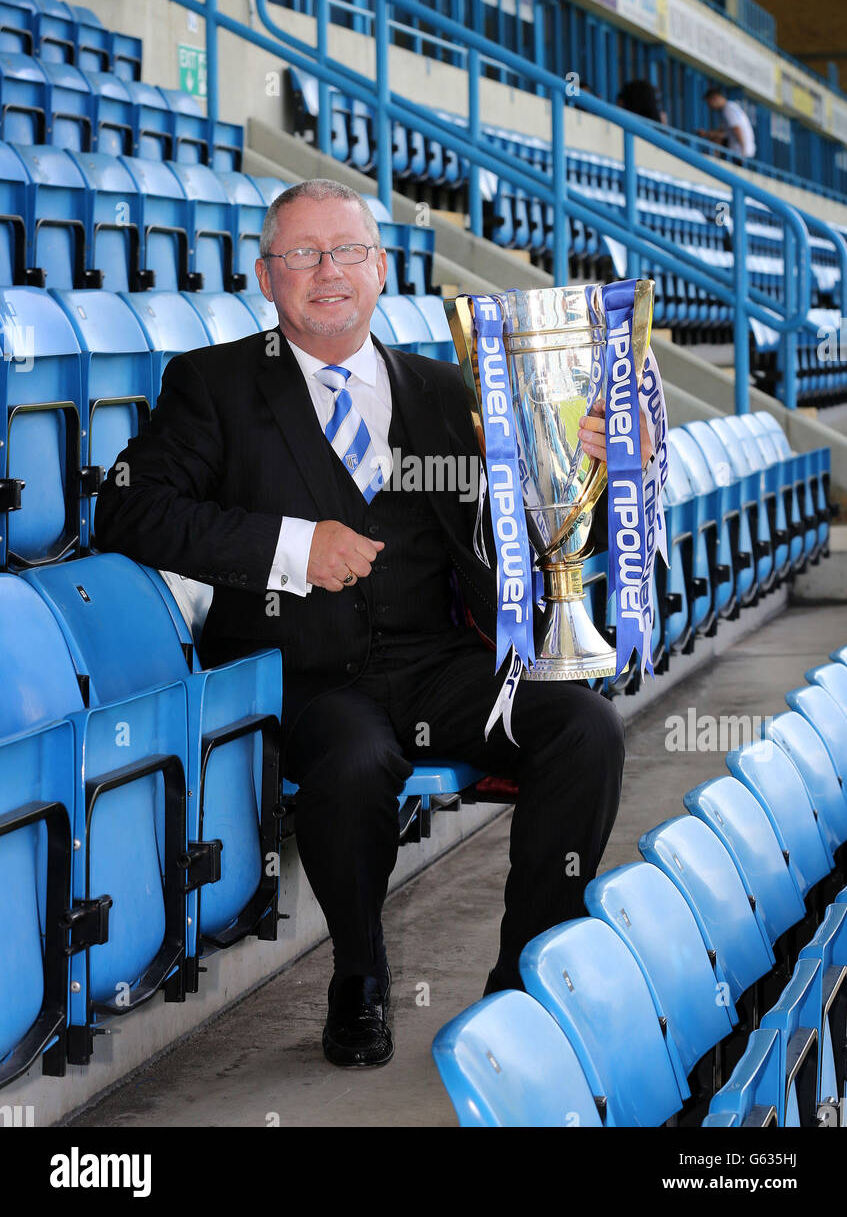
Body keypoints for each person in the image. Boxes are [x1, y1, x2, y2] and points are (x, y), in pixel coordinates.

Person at [94, 178, 651, 1070]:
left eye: (347, 251)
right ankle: (358, 972)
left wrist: (597, 470)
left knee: (583, 725)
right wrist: (289, 545)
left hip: (440, 666)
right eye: (302, 254)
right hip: (307, 674)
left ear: (381, 269)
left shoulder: (445, 390)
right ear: (267, 277)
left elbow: (531, 526)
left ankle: (524, 979)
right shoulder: (212, 384)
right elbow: (126, 514)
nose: (327, 272)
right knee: (354, 763)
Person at [696, 87, 756, 159]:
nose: (710, 107)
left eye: (709, 103)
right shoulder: (731, 107)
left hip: (739, 153)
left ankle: (713, 158)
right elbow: (722, 133)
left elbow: (737, 129)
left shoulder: (728, 109)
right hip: (745, 151)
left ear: (714, 99)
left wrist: (743, 151)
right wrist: (706, 134)